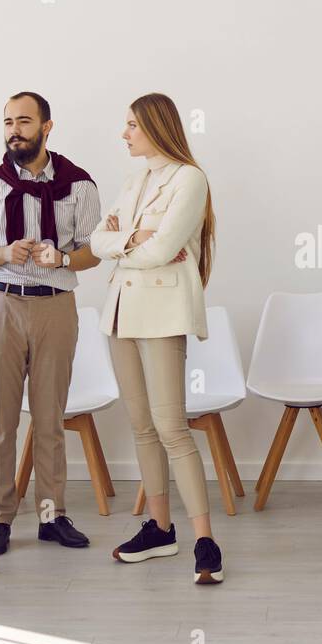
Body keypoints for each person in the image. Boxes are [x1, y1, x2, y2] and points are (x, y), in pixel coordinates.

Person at [0, 91, 102, 555]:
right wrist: (3, 253)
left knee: (49, 419)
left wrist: (61, 257)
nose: (13, 131)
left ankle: (51, 515)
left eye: (23, 121)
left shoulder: (79, 185)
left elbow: (95, 251)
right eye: (7, 122)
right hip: (1, 305)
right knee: (0, 418)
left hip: (56, 306)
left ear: (47, 127)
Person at [89, 93, 225, 584]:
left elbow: (166, 245)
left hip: (162, 314)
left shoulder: (190, 179)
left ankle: (205, 539)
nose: (124, 134)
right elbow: (94, 240)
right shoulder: (136, 179)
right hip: (122, 314)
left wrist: (127, 240)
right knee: (142, 426)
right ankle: (161, 530)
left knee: (172, 428)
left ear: (155, 126)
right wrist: (132, 239)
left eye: (131, 126)